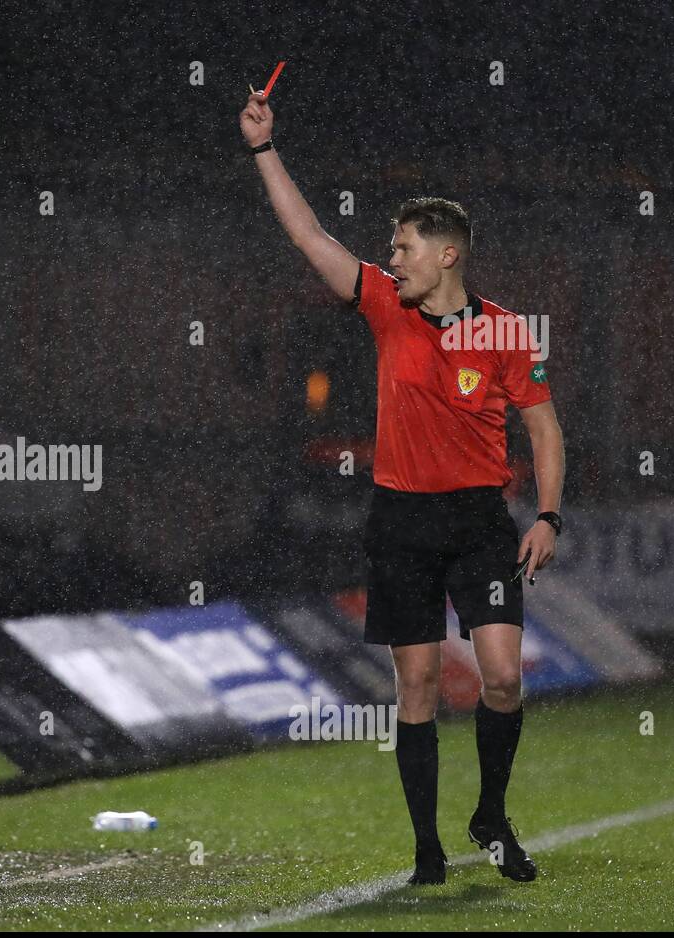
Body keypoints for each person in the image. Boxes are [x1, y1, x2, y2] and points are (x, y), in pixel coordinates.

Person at [240, 93, 565, 884]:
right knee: (416, 685)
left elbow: (545, 430)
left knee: (500, 677)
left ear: (447, 254)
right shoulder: (387, 308)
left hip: (483, 520)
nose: (393, 260)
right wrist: (264, 149)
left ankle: (490, 813)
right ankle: (428, 847)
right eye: (390, 248)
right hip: (401, 522)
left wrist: (548, 514)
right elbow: (308, 234)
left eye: (405, 248)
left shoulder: (505, 332)